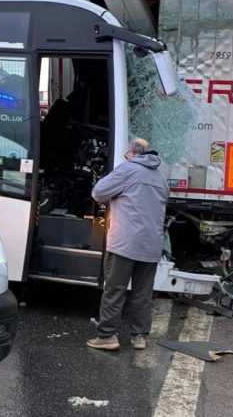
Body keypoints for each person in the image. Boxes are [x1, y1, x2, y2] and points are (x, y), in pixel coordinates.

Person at [87, 137, 169, 351]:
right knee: (142, 293)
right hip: (151, 244)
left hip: (125, 242)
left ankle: (107, 336)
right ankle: (139, 336)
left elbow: (98, 193)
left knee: (115, 289)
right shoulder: (161, 177)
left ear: (132, 153)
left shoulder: (127, 169)